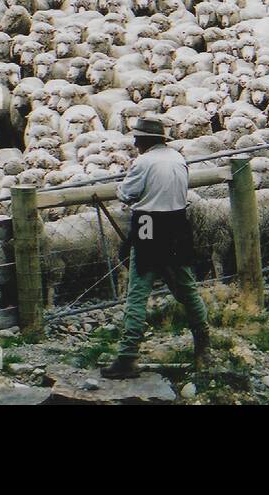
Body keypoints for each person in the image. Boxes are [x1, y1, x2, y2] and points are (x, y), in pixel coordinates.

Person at [102, 115, 209, 379]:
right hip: (177, 224)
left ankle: (127, 357)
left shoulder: (143, 161)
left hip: (149, 223)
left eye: (137, 138)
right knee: (187, 289)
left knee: (138, 291)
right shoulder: (178, 159)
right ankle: (203, 348)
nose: (135, 142)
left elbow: (125, 194)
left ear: (143, 140)